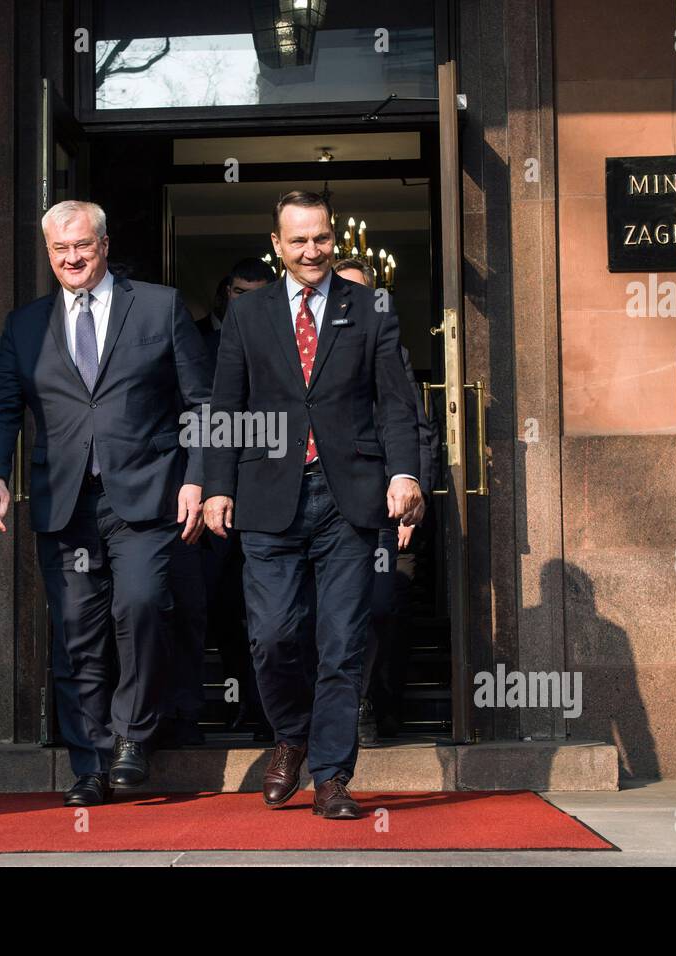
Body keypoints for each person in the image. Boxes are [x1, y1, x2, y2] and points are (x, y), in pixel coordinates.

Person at [0, 199, 211, 807]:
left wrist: (197, 478)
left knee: (143, 605)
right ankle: (90, 764)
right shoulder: (24, 326)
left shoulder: (158, 306)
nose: (72, 258)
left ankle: (133, 735)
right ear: (48, 252)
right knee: (77, 632)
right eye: (60, 250)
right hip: (65, 503)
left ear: (104, 244)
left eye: (82, 246)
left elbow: (201, 404)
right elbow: (1, 406)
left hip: (148, 496)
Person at [203, 190, 424, 819]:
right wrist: (218, 484)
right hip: (268, 496)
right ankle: (292, 734)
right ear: (277, 245)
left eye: (321, 238)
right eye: (297, 240)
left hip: (348, 496)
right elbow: (226, 406)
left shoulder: (371, 307)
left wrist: (405, 472)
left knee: (342, 641)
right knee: (273, 637)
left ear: (335, 239)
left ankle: (331, 776)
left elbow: (395, 402)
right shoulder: (250, 314)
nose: (311, 250)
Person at [333, 257, 440, 745]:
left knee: (380, 606)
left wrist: (411, 498)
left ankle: (370, 704)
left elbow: (419, 430)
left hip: (385, 509)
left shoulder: (389, 351)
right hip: (328, 505)